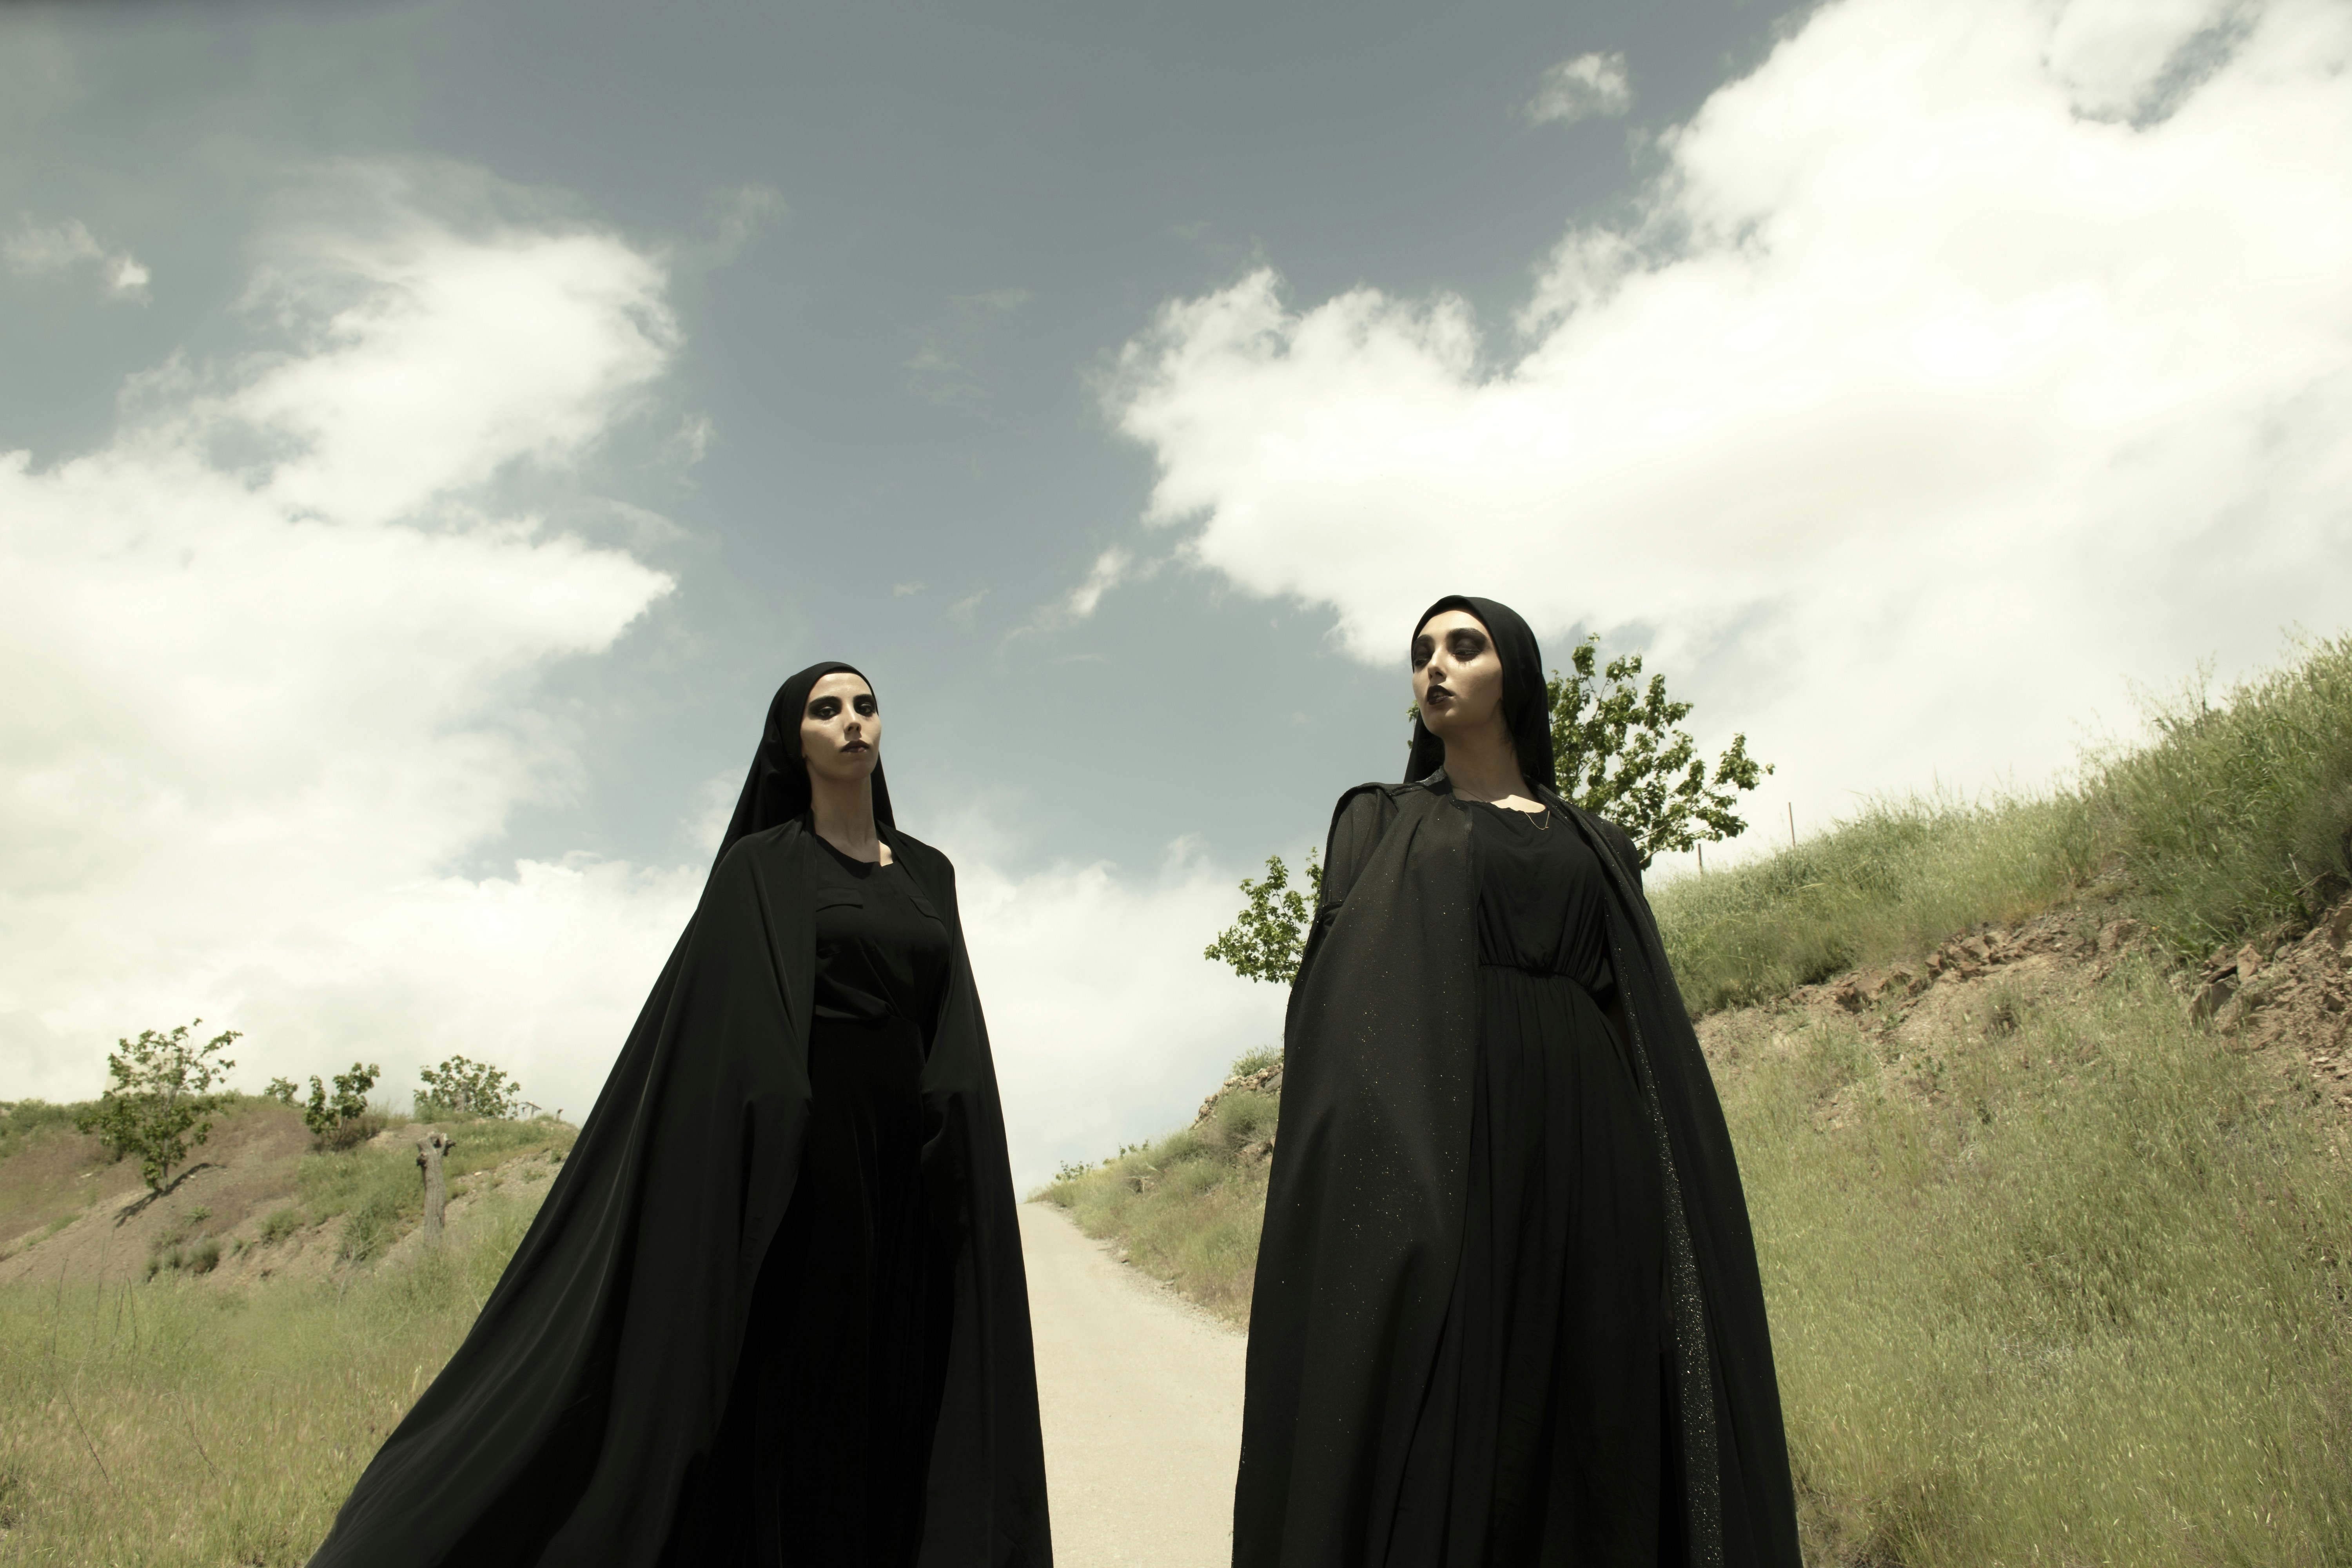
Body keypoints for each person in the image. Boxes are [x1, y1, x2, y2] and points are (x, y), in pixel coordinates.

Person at [309, 662, 1051, 1568]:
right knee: (810, 1384)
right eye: (827, 710)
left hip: (912, 1156)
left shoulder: (931, 872)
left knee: (908, 1376)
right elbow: (729, 1025)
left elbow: (955, 1018)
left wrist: (958, 1136)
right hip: (806, 1160)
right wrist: (782, 1121)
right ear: (794, 741)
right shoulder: (762, 868)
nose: (852, 721)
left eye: (865, 704)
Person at [1233, 597, 1800, 1568]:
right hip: (1457, 1131)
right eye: (1420, 654)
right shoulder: (1380, 821)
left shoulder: (1598, 843)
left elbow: (1639, 1015)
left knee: (1608, 1379)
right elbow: (1341, 1006)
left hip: (1598, 1137)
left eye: (1464, 646)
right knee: (1465, 1388)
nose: (1434, 667)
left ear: (1517, 672)